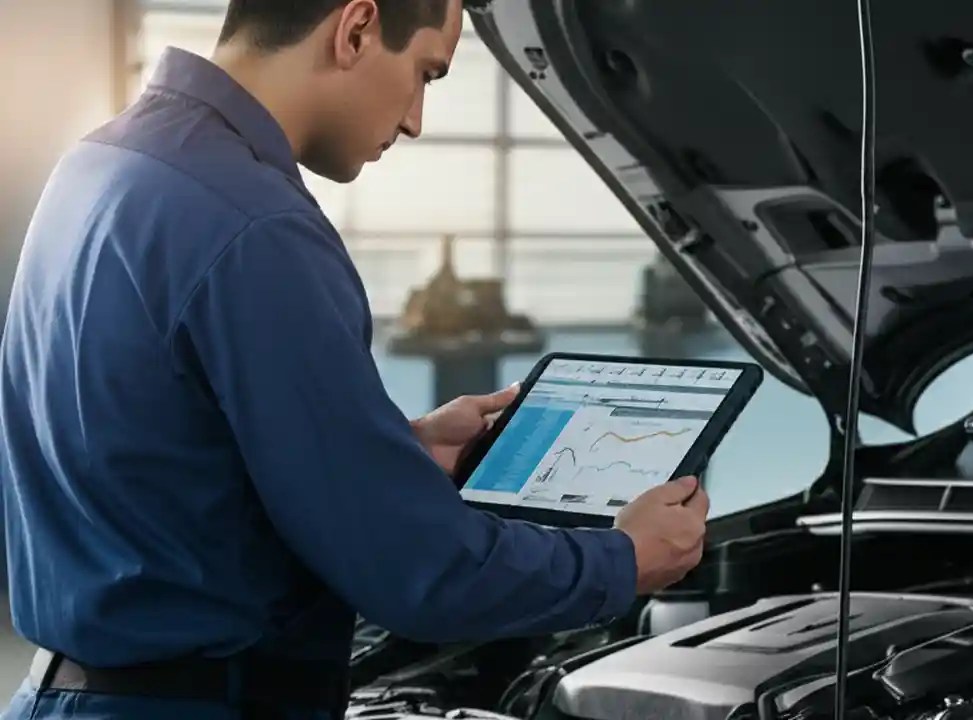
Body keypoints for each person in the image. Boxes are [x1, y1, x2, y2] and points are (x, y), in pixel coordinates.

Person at [0, 0, 710, 717]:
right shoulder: (257, 225)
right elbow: (417, 573)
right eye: (425, 74)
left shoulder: (104, 162)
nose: (414, 121)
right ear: (357, 28)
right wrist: (622, 562)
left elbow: (151, 453)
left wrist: (395, 449)